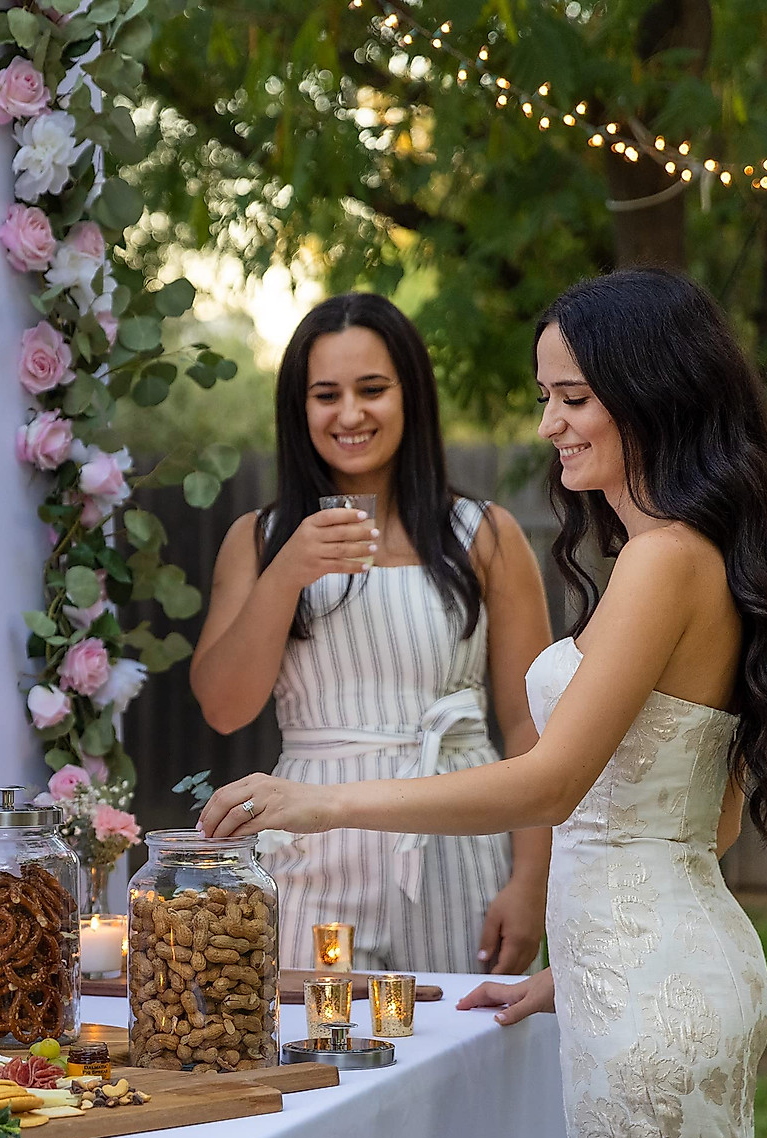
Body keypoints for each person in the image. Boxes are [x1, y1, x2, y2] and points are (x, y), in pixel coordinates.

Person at [198, 269, 767, 1138]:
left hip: (653, 993)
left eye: (573, 399)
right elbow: (703, 826)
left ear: (652, 393)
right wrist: (573, 972)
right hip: (663, 969)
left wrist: (321, 799)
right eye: (547, 399)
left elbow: (550, 782)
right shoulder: (700, 553)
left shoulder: (661, 561)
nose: (548, 426)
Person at [190, 292, 553, 975]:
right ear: (299, 409)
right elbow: (224, 706)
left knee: (457, 1059)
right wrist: (286, 573)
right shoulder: (259, 540)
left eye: (373, 389)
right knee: (311, 1062)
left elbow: (532, 724)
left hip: (456, 832)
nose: (350, 414)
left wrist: (530, 881)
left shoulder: (485, 535)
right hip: (307, 846)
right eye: (326, 394)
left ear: (410, 395)